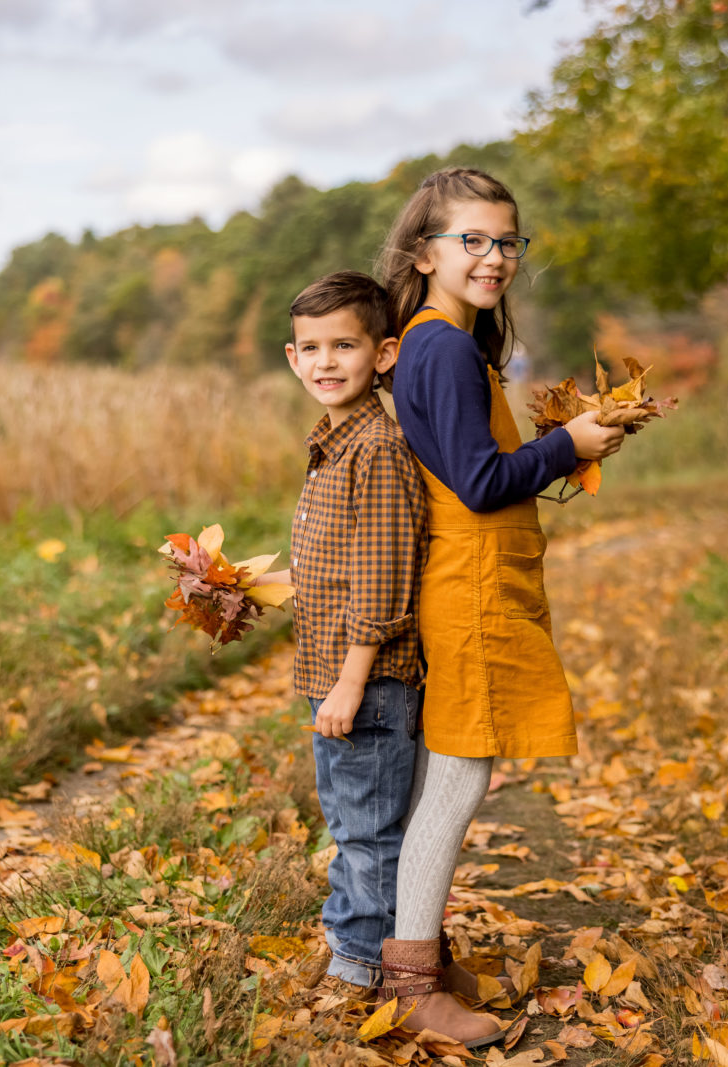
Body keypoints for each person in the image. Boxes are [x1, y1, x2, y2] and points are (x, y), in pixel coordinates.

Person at [372, 168, 625, 1046]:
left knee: (458, 773)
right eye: (471, 239)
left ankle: (419, 959)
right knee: (458, 774)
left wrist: (573, 444)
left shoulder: (448, 344)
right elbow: (479, 484)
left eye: (506, 240)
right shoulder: (439, 344)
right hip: (471, 589)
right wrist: (566, 444)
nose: (493, 256)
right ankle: (407, 983)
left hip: (485, 582)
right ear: (424, 251)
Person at [257, 271, 427, 1004]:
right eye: (311, 348)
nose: (326, 362)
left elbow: (384, 582)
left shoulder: (377, 449)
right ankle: (353, 946)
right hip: (338, 673)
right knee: (350, 819)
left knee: (367, 830)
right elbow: (337, 564)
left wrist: (353, 680)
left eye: (344, 345)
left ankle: (361, 965)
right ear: (292, 358)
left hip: (369, 679)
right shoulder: (334, 441)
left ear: (383, 354)